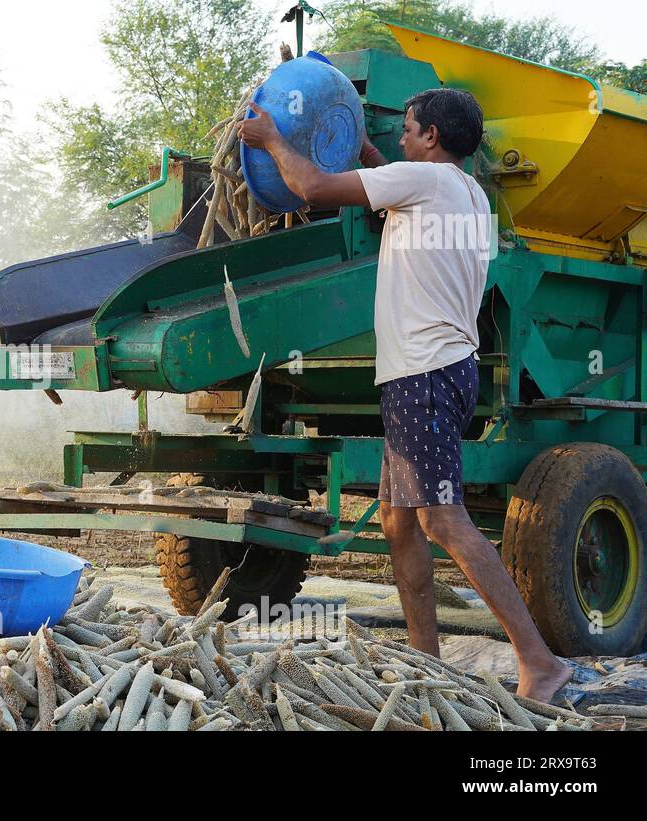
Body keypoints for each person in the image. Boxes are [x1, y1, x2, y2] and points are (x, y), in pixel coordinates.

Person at [239, 87, 571, 702]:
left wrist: (273, 142)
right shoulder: (467, 193)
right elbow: (395, 182)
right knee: (398, 522)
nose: (400, 137)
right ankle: (428, 661)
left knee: (442, 519)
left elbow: (312, 189)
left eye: (409, 129)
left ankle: (540, 662)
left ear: (431, 140)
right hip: (440, 369)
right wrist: (366, 151)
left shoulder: (421, 181)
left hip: (423, 373)